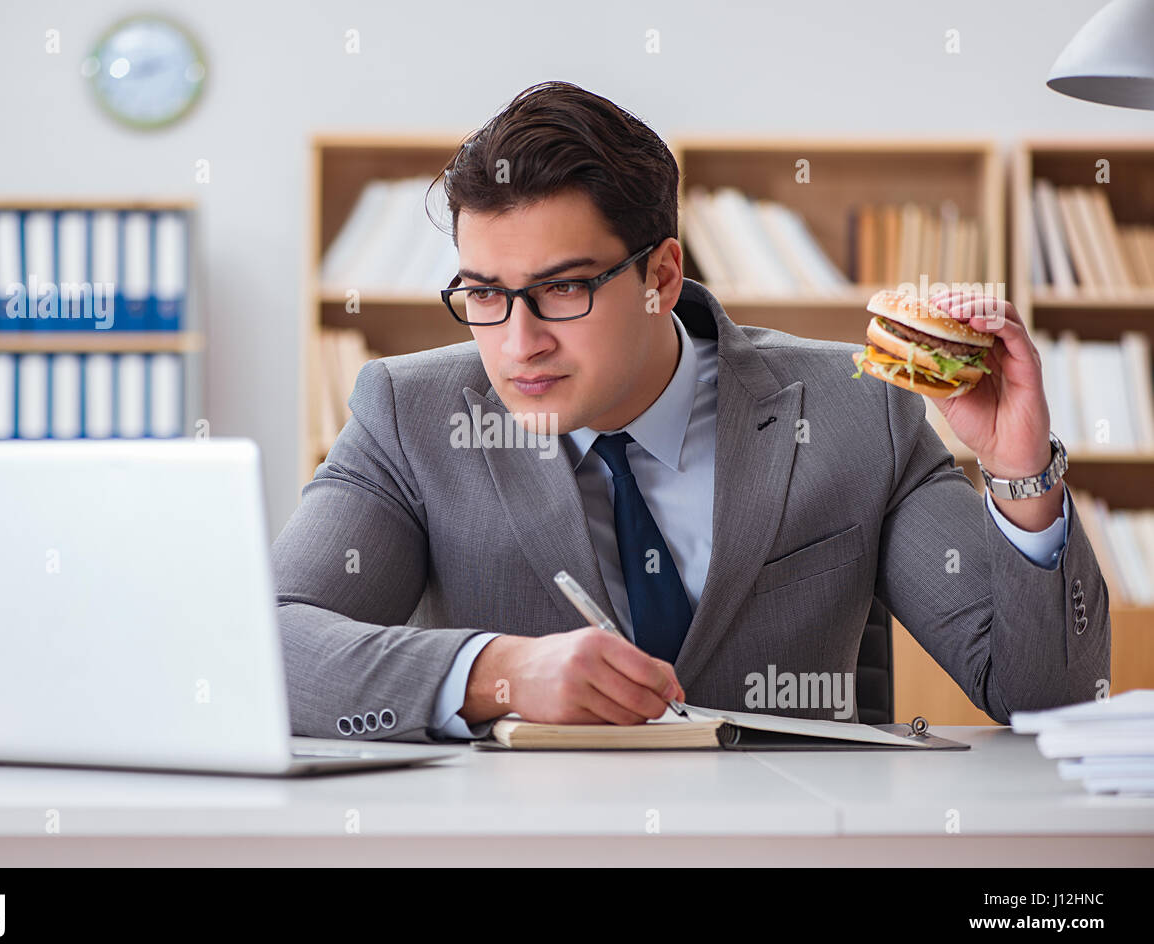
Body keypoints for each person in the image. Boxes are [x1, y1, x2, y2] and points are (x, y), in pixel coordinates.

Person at [272, 80, 1109, 742]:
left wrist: (1020, 472)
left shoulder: (858, 412)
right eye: (485, 294)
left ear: (661, 277)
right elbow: (270, 648)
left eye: (562, 289)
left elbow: (1046, 698)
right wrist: (496, 673)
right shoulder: (409, 418)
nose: (517, 343)